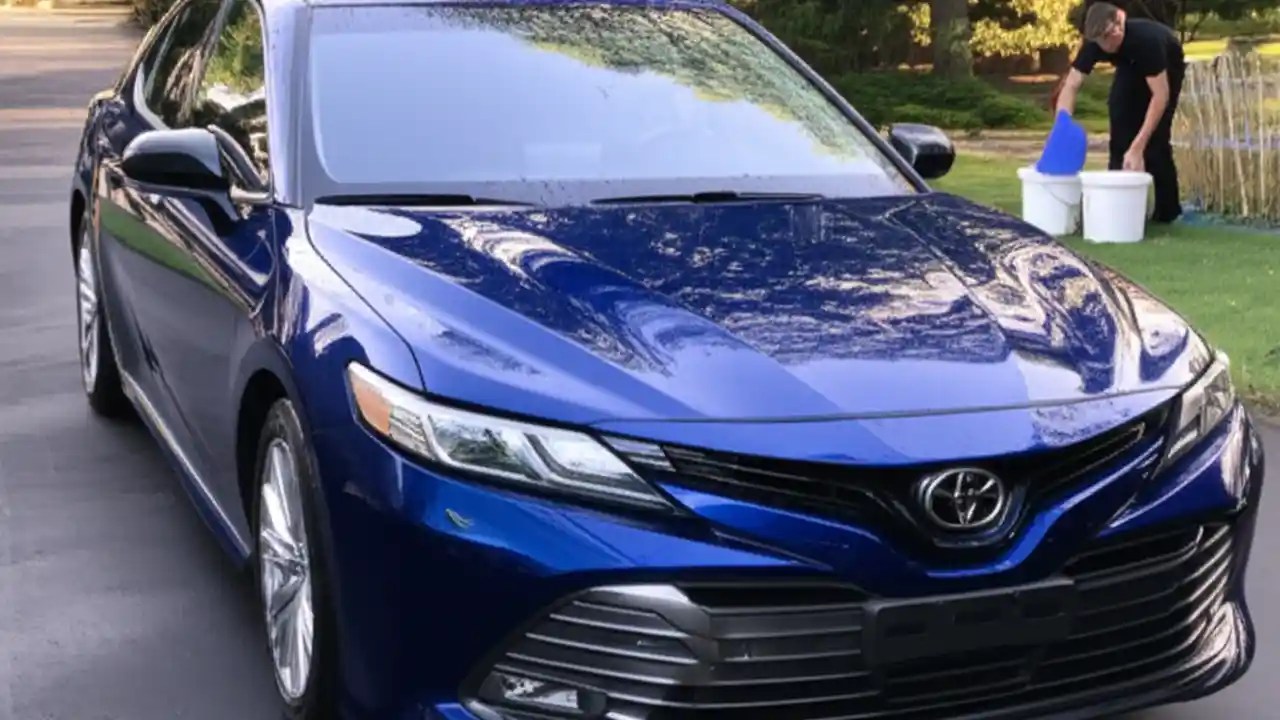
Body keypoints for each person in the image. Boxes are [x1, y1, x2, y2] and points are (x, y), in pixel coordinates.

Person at [1055, 2, 1187, 223]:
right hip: (1129, 64)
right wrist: (1062, 124)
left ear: (1120, 19)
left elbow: (1160, 97)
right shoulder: (1093, 44)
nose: (1115, 34)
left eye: (1117, 28)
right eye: (1107, 35)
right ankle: (1119, 201)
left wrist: (1138, 146)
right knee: (1119, 112)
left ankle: (1168, 212)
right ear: (1097, 38)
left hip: (1166, 62)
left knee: (1156, 139)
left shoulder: (1146, 42)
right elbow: (1071, 85)